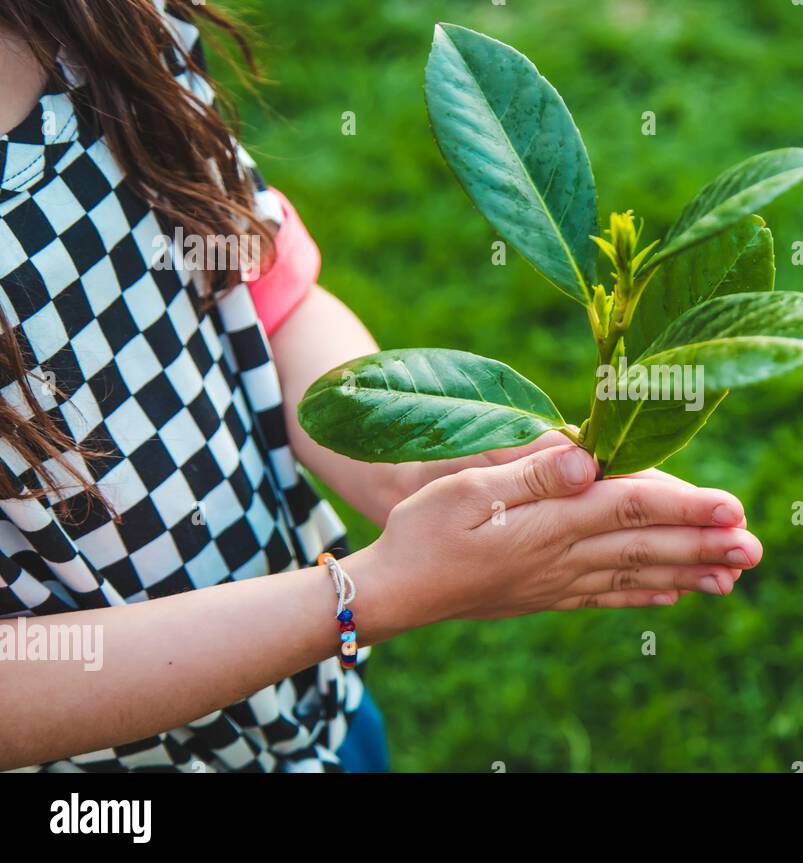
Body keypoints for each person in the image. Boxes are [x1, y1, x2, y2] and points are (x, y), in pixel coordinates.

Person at [0, 0, 760, 772]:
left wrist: (417, 462)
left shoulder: (111, 21)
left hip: (314, 705)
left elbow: (267, 300)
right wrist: (368, 595)